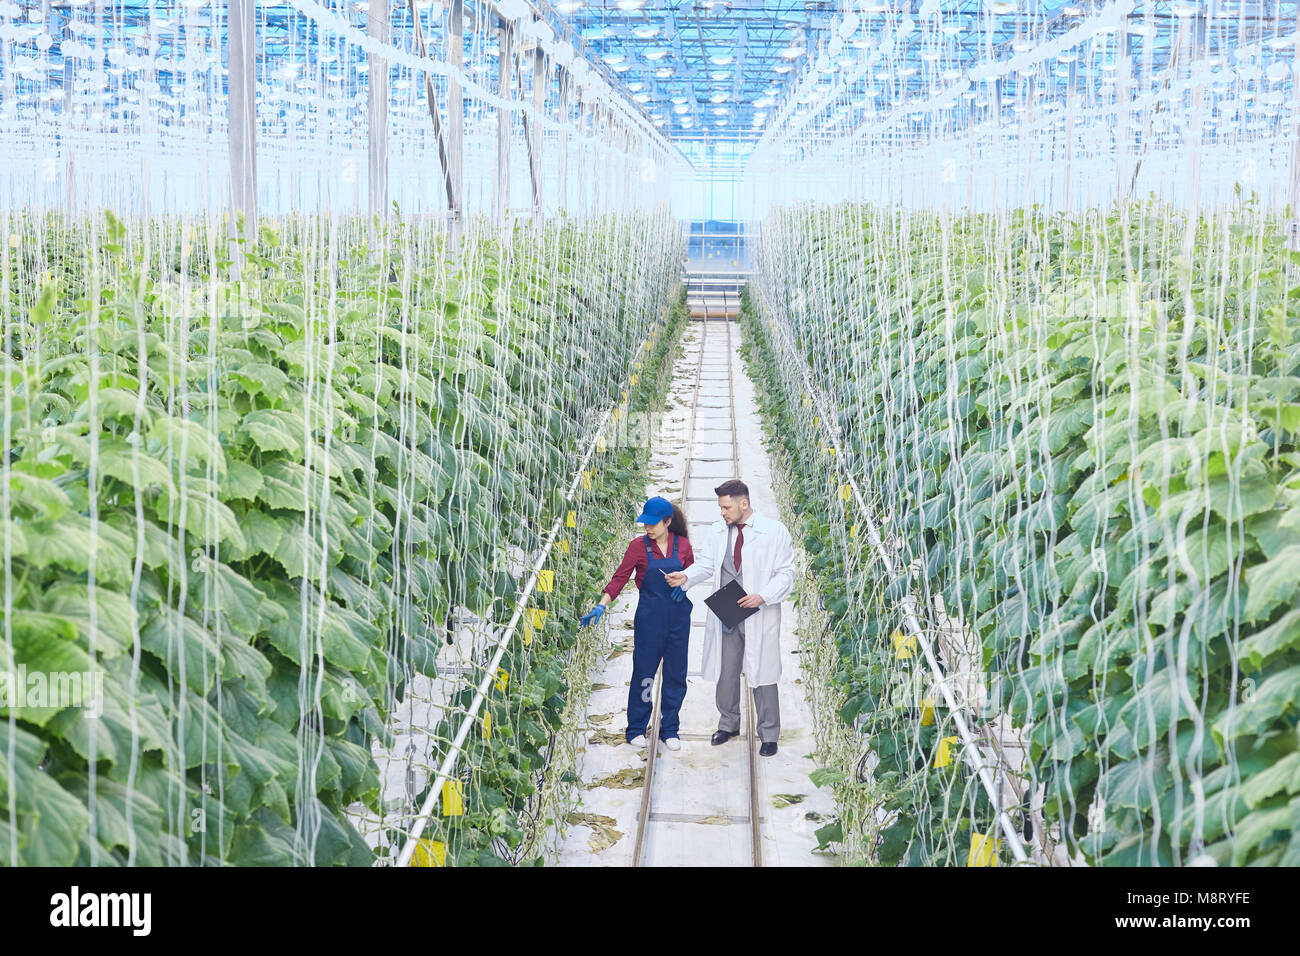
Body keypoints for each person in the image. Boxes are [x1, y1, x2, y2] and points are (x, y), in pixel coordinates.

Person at [665, 479, 794, 756]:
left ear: (743, 504)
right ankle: (728, 723)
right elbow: (707, 564)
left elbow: (786, 573)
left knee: (764, 672)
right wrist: (686, 576)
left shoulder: (773, 531)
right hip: (727, 612)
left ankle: (769, 733)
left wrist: (763, 595)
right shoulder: (717, 531)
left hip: (759, 612)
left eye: (726, 507)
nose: (722, 513)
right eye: (720, 507)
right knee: (727, 670)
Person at [579, 496, 694, 752]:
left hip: (678, 619)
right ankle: (636, 727)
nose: (648, 528)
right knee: (644, 675)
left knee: (676, 675)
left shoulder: (683, 545)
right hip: (650, 619)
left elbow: (692, 573)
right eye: (645, 524)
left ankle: (670, 728)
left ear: (667, 522)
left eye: (653, 524)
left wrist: (685, 587)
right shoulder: (637, 547)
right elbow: (620, 578)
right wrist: (602, 604)